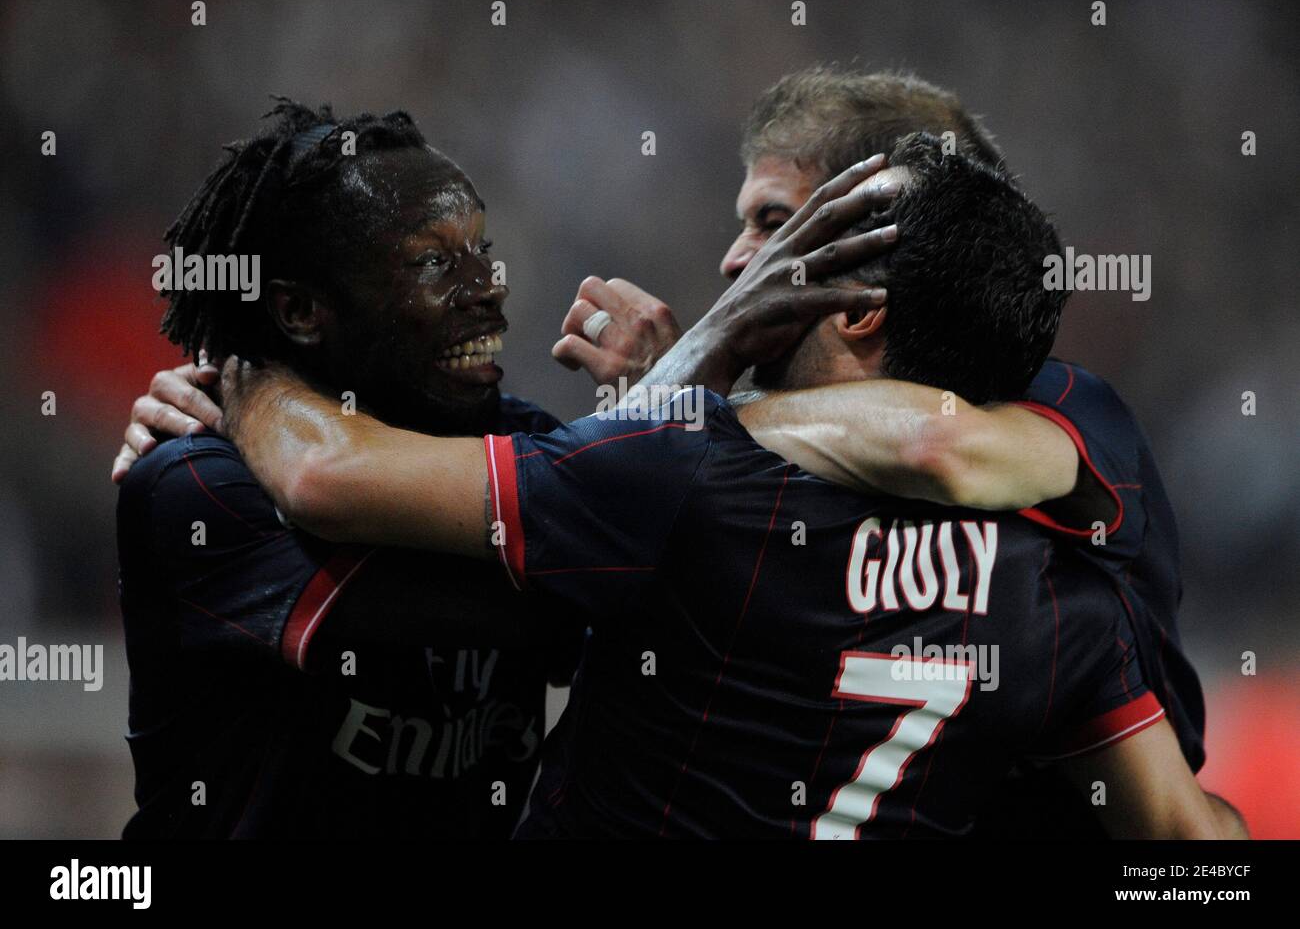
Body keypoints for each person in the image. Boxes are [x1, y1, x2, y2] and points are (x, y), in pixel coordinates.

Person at [206, 136, 1242, 838]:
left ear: (855, 308)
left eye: (794, 236)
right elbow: (1189, 833)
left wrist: (233, 370)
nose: (750, 262)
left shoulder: (687, 471)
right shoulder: (1056, 583)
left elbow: (322, 472)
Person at [114, 100, 893, 837]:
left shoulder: (513, 435)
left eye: (480, 251)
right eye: (432, 263)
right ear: (300, 312)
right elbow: (479, 605)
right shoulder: (198, 482)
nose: (488, 288)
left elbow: (621, 615)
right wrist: (671, 408)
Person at [550, 67, 1208, 836]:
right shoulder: (780, 490)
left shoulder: (1064, 406)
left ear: (886, 236)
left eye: (774, 221)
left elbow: (935, 440)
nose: (739, 260)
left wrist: (686, 387)